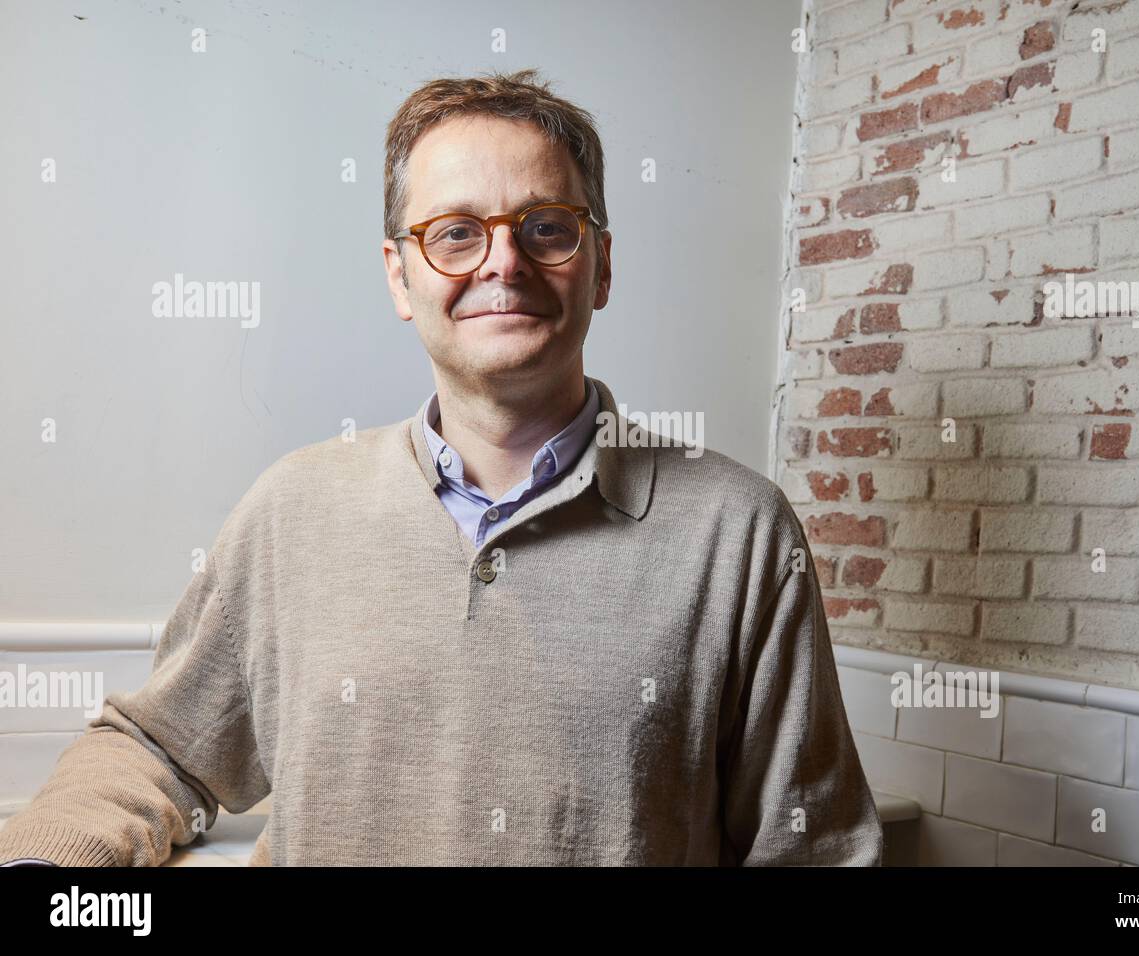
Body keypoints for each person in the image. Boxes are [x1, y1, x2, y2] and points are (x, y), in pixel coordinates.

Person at [0, 69, 882, 866]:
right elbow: (161, 747)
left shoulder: (742, 533)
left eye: (547, 227)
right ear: (399, 276)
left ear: (600, 265)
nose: (503, 262)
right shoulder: (292, 510)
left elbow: (815, 850)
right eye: (455, 233)